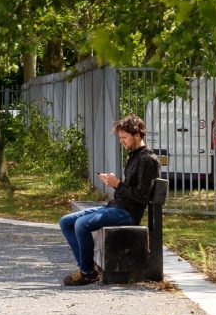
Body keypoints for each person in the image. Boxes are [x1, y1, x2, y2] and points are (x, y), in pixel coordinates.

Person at [59, 115, 160, 287]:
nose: (121, 141)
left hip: (128, 214)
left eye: (124, 137)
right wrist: (115, 183)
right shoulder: (133, 155)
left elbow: (141, 197)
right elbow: (130, 189)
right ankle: (87, 269)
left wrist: (118, 184)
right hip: (116, 207)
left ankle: (86, 273)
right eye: (120, 137)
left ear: (137, 135)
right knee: (66, 222)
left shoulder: (147, 160)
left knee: (81, 225)